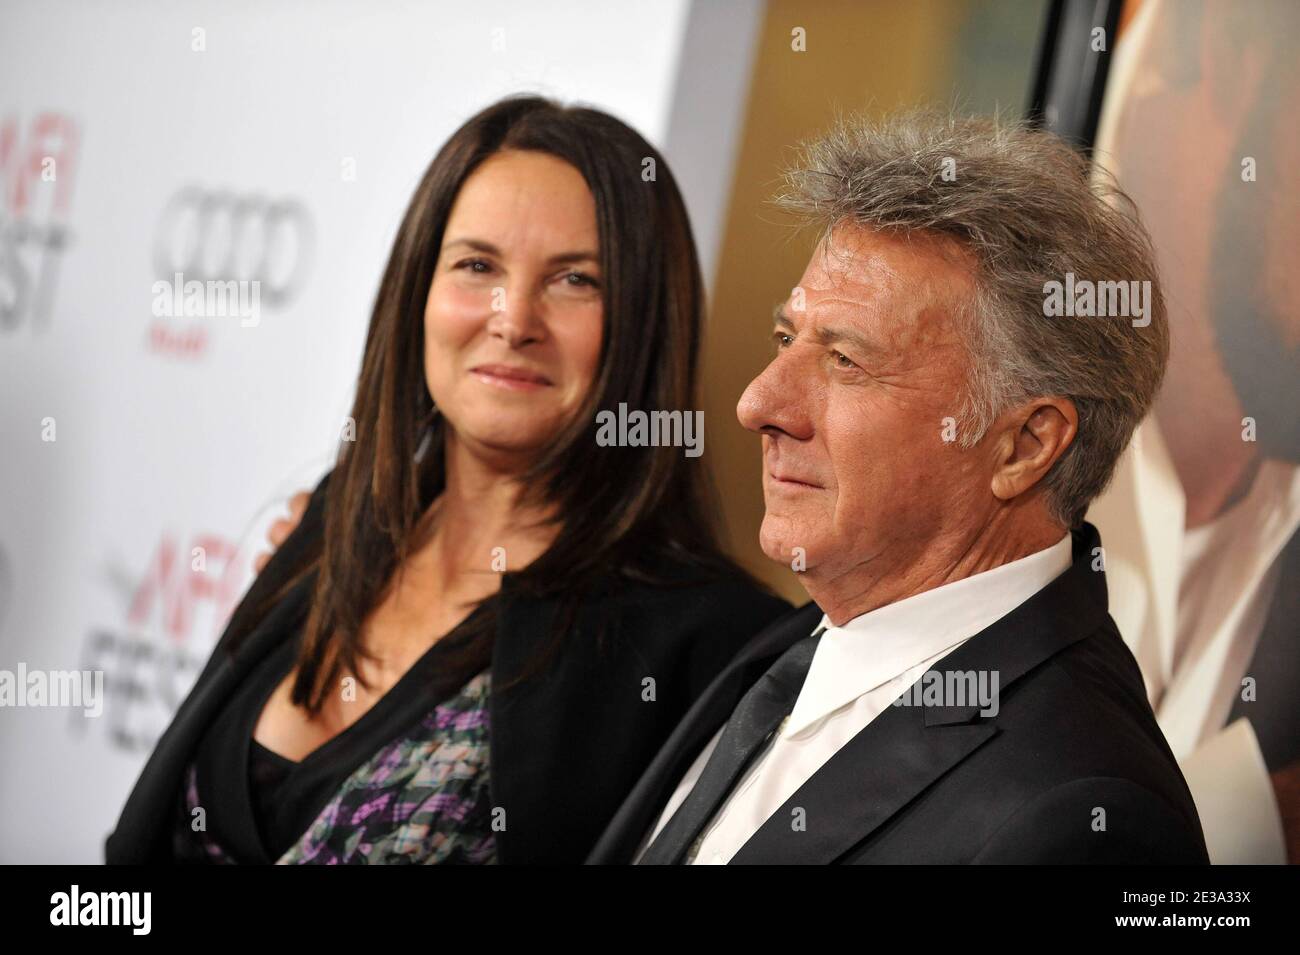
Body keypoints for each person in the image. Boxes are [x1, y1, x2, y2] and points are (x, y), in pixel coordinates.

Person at [104, 95, 789, 865]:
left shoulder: (710, 647)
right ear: (417, 291)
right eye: (476, 265)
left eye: (574, 281)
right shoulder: (335, 524)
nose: (512, 317)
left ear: (643, 323)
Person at [588, 110, 1210, 864]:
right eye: (788, 338)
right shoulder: (791, 643)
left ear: (1023, 445)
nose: (759, 403)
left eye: (846, 361)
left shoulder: (1085, 811)